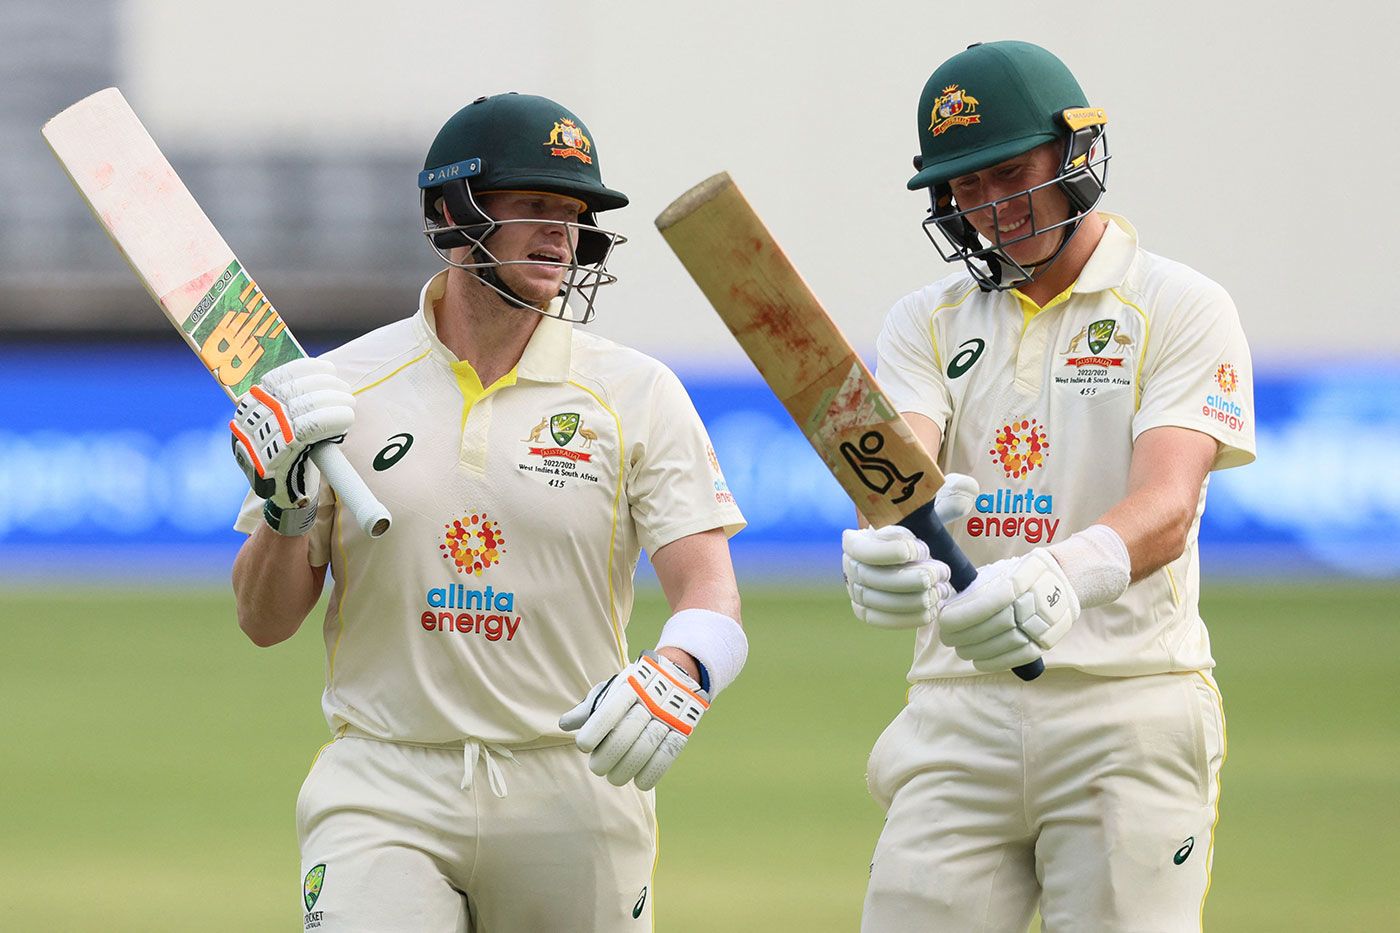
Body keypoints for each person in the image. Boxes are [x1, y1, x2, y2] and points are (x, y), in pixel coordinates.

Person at [228, 92, 748, 932]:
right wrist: (284, 508)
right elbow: (261, 621)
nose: (561, 234)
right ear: (451, 212)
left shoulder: (636, 393)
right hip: (385, 782)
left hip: (574, 780)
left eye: (574, 214)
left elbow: (711, 593)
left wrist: (682, 669)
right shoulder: (340, 389)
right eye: (534, 205)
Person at [840, 41, 1255, 931]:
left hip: (1128, 703)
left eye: (1011, 174)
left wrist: (1061, 575)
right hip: (958, 708)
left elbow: (1169, 506)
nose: (991, 209)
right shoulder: (925, 319)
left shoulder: (1181, 305)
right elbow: (900, 467)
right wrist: (886, 537)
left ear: (1074, 154)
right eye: (967, 189)